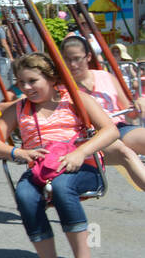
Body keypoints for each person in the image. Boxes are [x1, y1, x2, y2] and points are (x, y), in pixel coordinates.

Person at [0, 53, 116, 258]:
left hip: (82, 166)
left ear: (51, 78)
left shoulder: (74, 99)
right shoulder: (19, 108)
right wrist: (18, 152)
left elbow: (110, 130)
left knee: (63, 186)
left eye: (33, 81)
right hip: (43, 170)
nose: (26, 88)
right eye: (21, 82)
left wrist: (80, 153)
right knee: (24, 195)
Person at [59, 34, 145, 190]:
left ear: (88, 57)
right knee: (126, 153)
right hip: (91, 134)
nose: (72, 64)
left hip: (119, 128)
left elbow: (130, 112)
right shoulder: (61, 88)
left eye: (77, 59)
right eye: (67, 59)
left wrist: (139, 103)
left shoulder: (105, 77)